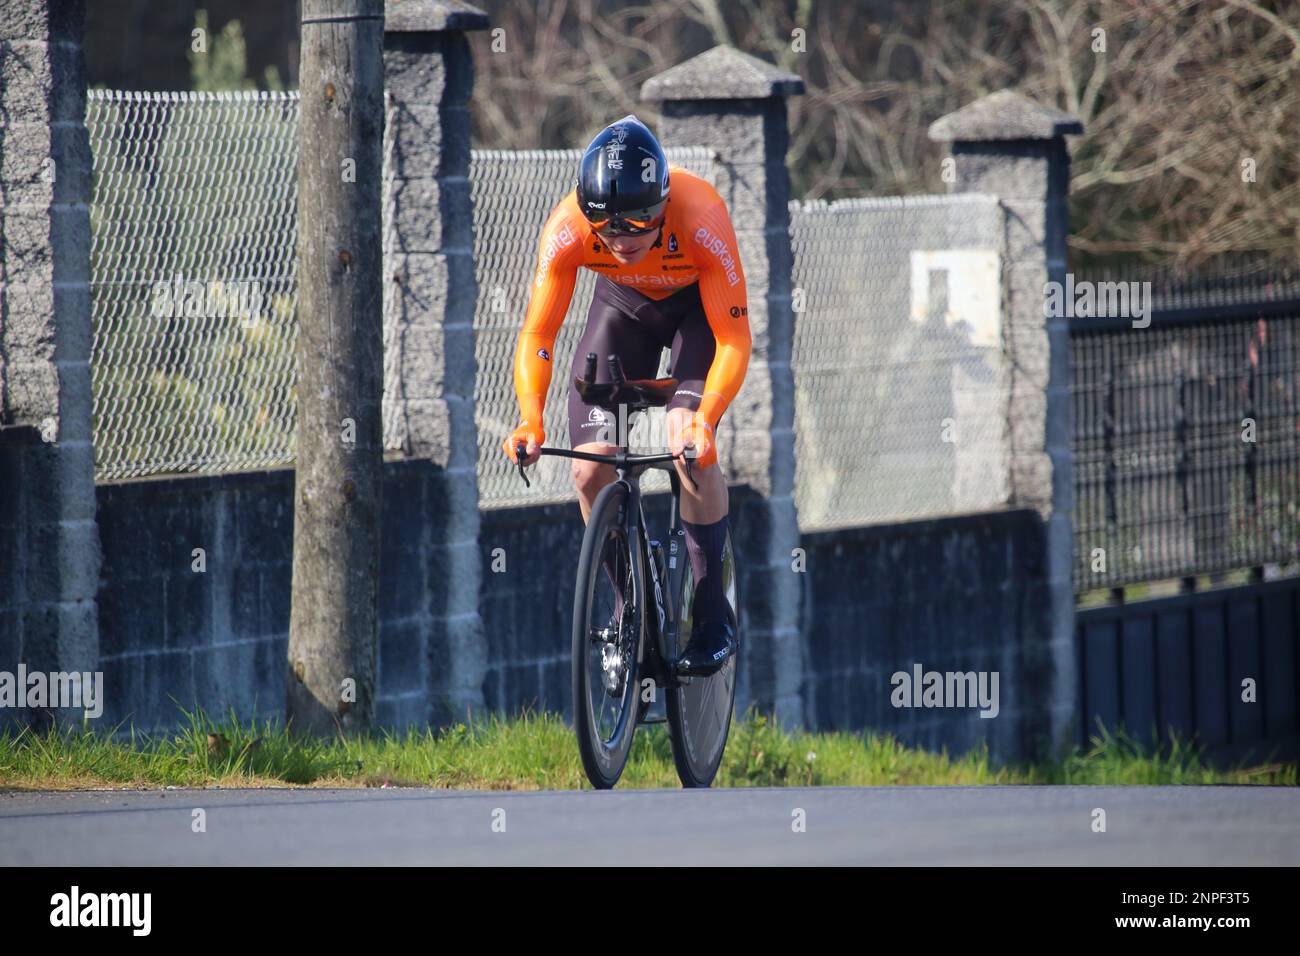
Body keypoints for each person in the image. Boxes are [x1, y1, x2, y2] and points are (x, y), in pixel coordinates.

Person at [503, 114, 751, 675]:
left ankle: (713, 617)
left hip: (696, 315)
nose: (621, 239)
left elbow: (734, 338)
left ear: (662, 203)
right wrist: (530, 419)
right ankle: (627, 606)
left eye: (639, 221)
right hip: (622, 312)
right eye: (607, 227)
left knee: (687, 447)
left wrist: (705, 418)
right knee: (589, 471)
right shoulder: (567, 227)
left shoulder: (701, 214)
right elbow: (538, 333)